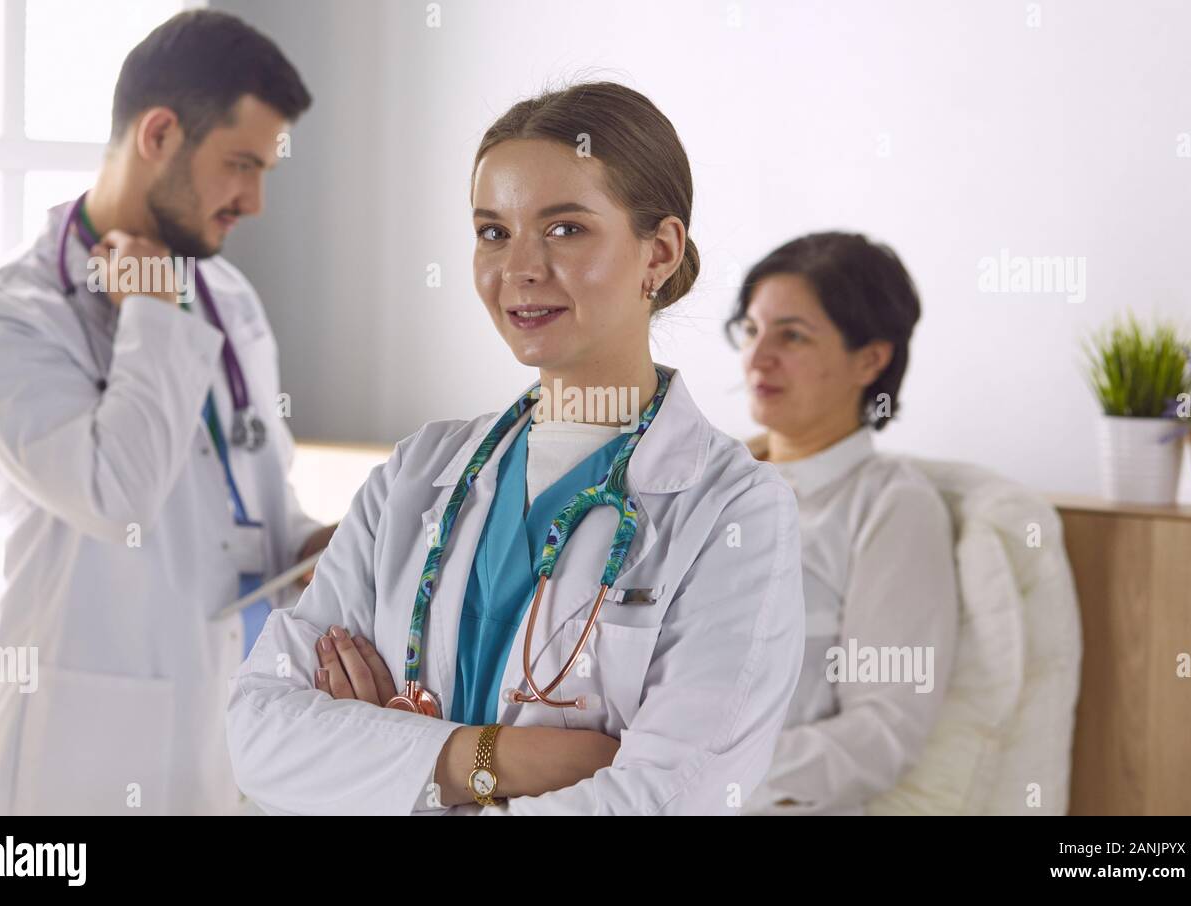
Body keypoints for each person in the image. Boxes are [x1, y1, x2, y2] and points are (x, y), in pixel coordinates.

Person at [226, 82, 806, 815]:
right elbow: (256, 732)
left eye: (564, 229)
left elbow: (668, 798)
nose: (520, 269)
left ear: (658, 252)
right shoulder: (415, 475)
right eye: (493, 232)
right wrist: (492, 758)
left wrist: (384, 764)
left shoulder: (736, 512)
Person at [0, 10, 333, 815]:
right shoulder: (5, 322)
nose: (255, 201)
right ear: (159, 133)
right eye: (241, 165)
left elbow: (255, 494)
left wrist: (311, 546)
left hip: (227, 732)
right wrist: (155, 316)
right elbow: (116, 496)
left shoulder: (229, 297)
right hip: (77, 754)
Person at [725, 232, 959, 815]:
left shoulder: (892, 508)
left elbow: (883, 733)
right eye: (752, 330)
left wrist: (698, 777)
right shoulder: (704, 482)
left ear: (870, 359)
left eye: (793, 335)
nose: (758, 358)